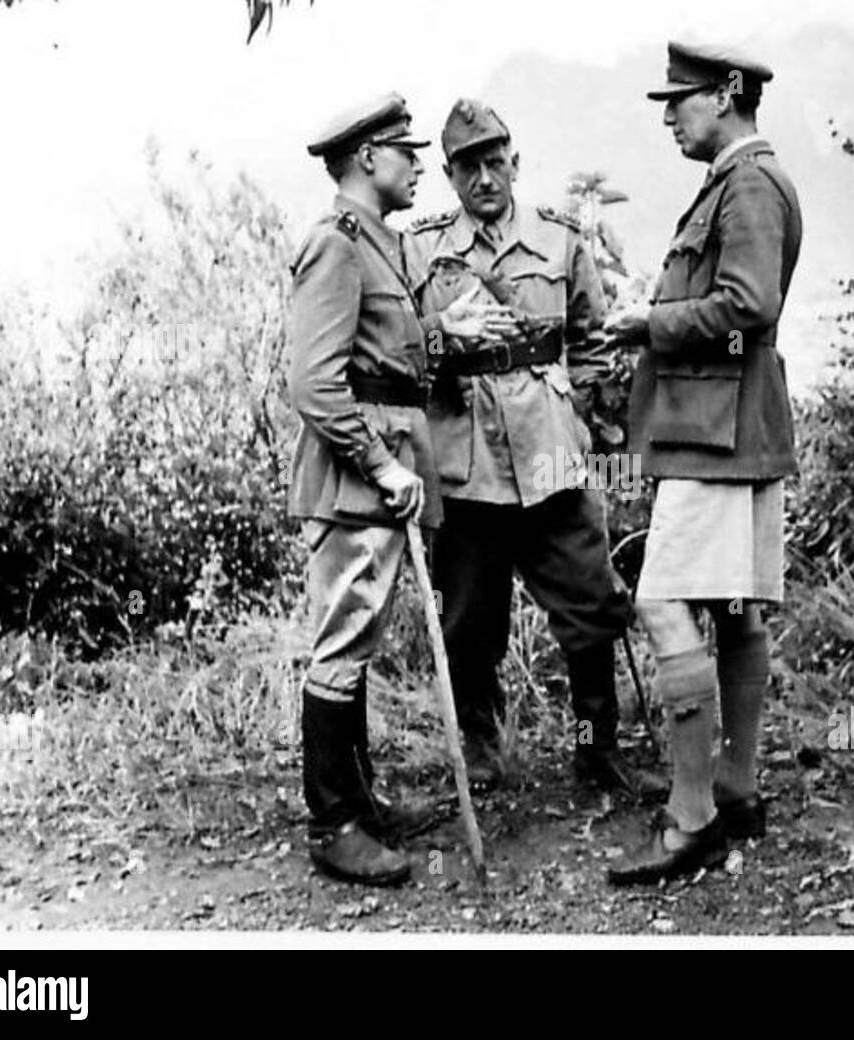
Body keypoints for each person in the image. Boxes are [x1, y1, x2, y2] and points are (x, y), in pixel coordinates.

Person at [407, 99, 663, 799]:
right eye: (469, 167)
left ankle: (595, 752)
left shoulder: (560, 240)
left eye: (496, 162)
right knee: (467, 625)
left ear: (514, 163)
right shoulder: (420, 250)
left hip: (551, 459)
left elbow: (590, 337)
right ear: (448, 174)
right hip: (466, 466)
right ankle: (485, 758)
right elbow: (402, 349)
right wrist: (440, 342)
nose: (485, 178)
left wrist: (576, 415)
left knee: (589, 611)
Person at [288, 93, 512, 885]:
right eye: (406, 152)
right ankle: (334, 823)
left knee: (359, 640)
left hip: (387, 469)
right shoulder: (337, 246)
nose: (420, 165)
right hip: (358, 479)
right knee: (341, 642)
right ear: (367, 159)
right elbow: (314, 383)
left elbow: (390, 351)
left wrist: (445, 336)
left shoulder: (379, 243)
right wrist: (381, 466)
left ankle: (361, 803)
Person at [603, 42, 801, 885]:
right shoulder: (742, 177)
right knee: (737, 609)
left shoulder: (748, 182)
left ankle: (692, 818)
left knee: (662, 603)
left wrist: (650, 324)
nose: (668, 114)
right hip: (733, 426)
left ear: (727, 93)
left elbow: (748, 306)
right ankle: (737, 786)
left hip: (714, 433)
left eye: (680, 98)